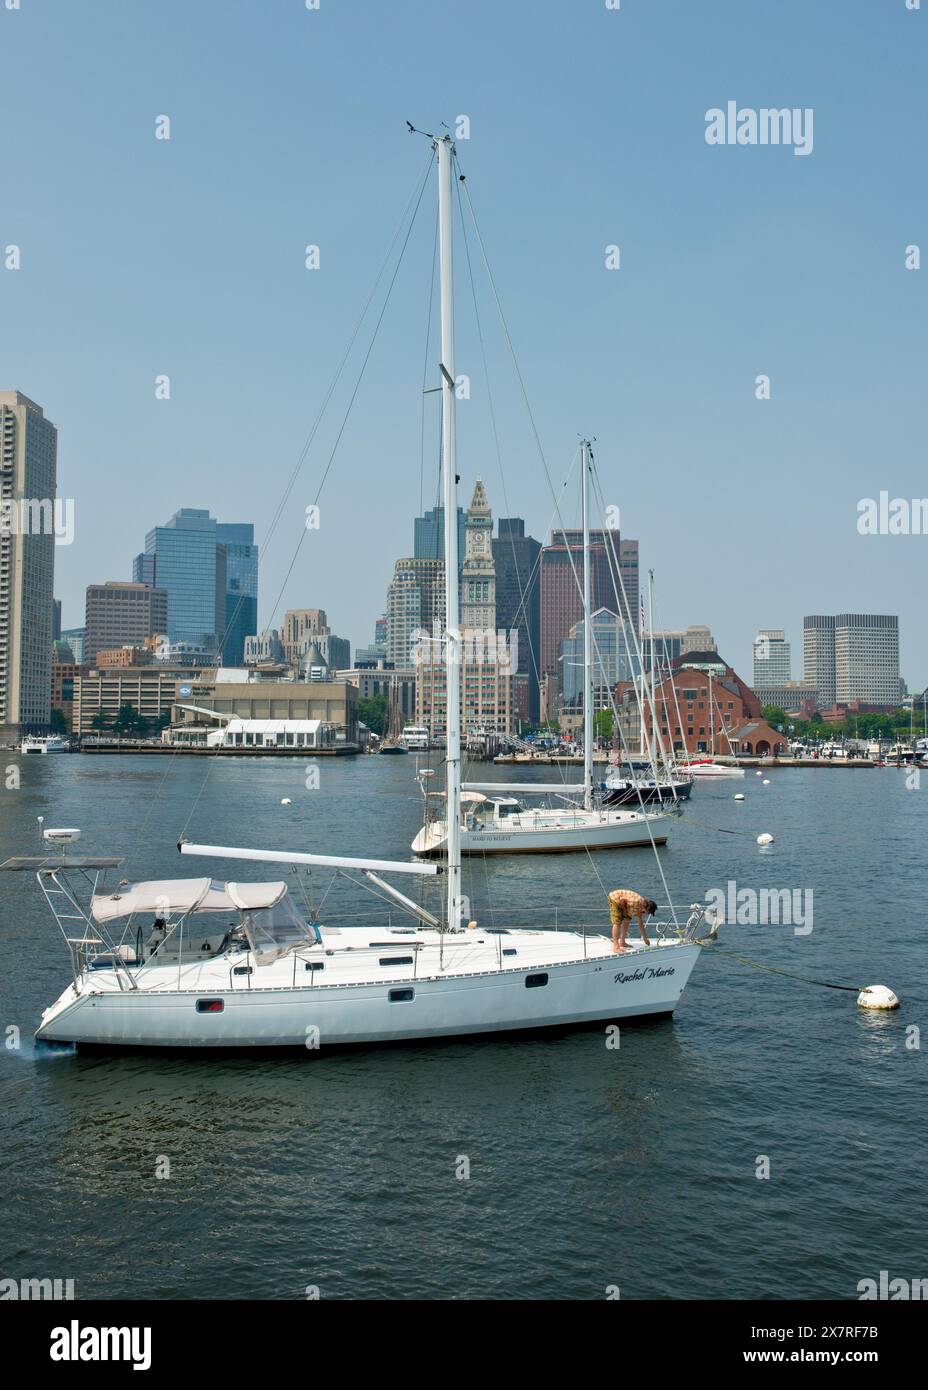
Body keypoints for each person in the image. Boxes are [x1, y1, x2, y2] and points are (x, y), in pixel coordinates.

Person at [608, 889, 657, 953]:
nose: (647, 914)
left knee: (627, 920)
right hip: (615, 899)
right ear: (648, 908)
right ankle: (616, 947)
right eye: (649, 912)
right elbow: (622, 900)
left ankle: (622, 942)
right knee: (617, 922)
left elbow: (641, 925)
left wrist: (645, 939)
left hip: (624, 904)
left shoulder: (641, 909)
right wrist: (625, 912)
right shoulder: (637, 901)